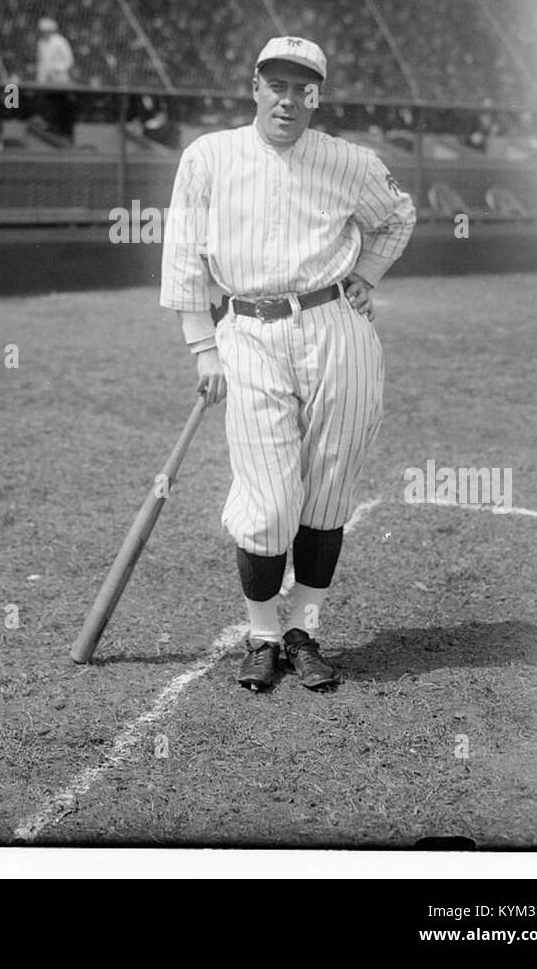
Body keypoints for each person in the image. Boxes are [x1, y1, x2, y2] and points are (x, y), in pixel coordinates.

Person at [160, 36, 416, 693]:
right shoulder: (208, 157)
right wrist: (203, 347)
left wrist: (367, 273)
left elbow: (399, 214)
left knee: (327, 495)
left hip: (337, 329)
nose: (288, 98)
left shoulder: (350, 162)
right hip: (248, 331)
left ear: (317, 96)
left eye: (303, 88)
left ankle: (302, 631)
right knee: (269, 503)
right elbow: (184, 256)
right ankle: (261, 634)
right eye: (277, 84)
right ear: (254, 86)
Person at [34, 17, 76, 139]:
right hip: (47, 82)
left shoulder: (60, 41)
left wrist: (56, 70)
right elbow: (41, 62)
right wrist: (40, 80)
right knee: (49, 105)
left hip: (60, 80)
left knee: (62, 104)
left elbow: (69, 60)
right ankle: (52, 129)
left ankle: (64, 132)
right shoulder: (41, 43)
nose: (44, 33)